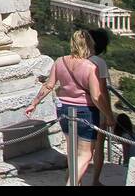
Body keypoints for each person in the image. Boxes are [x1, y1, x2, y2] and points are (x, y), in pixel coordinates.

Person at [25, 29, 113, 186]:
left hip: (64, 109)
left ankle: (74, 181)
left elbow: (49, 85)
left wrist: (34, 103)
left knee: (72, 152)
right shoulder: (91, 66)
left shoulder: (60, 61)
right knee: (85, 154)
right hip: (86, 111)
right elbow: (96, 96)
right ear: (89, 44)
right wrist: (109, 115)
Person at [88, 28, 114, 185]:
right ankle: (95, 180)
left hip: (77, 106)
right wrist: (109, 114)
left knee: (80, 148)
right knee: (99, 146)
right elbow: (103, 91)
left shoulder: (75, 59)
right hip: (97, 108)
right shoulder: (99, 63)